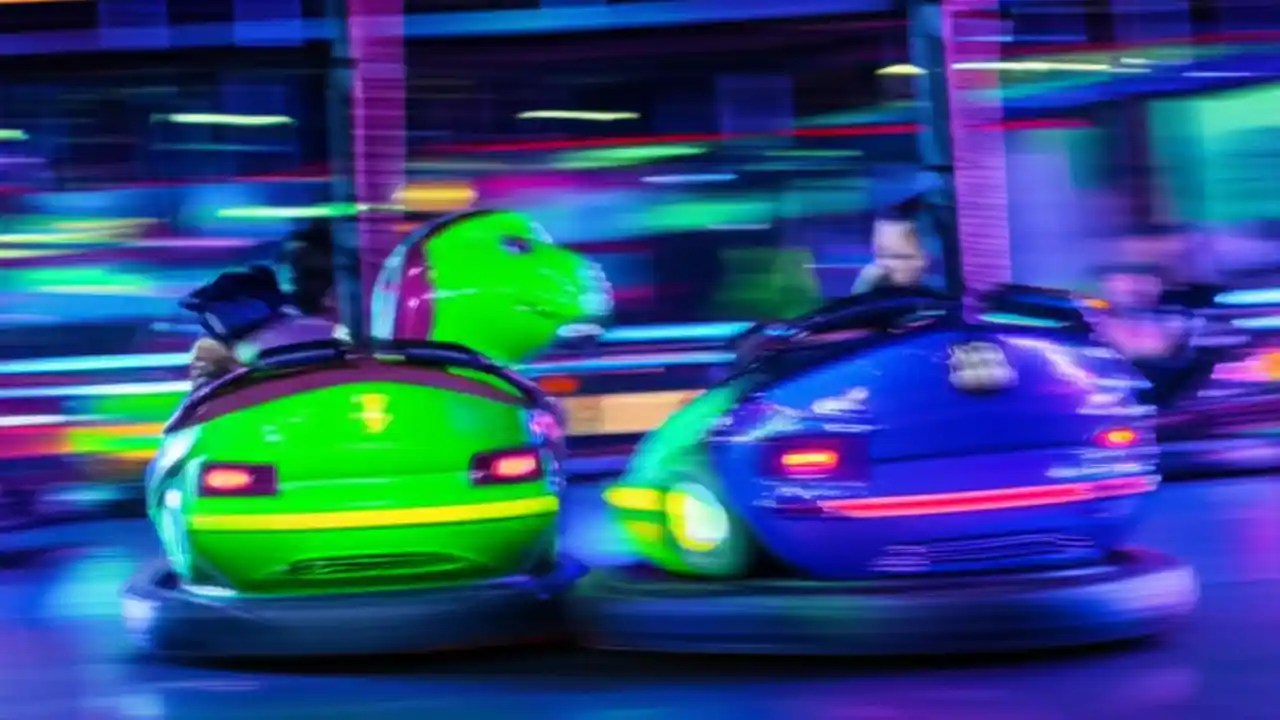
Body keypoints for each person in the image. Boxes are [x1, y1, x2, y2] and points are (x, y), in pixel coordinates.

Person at [186, 221, 346, 389]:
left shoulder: (348, 325)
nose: (295, 278)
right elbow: (205, 389)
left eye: (312, 273)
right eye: (289, 266)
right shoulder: (238, 316)